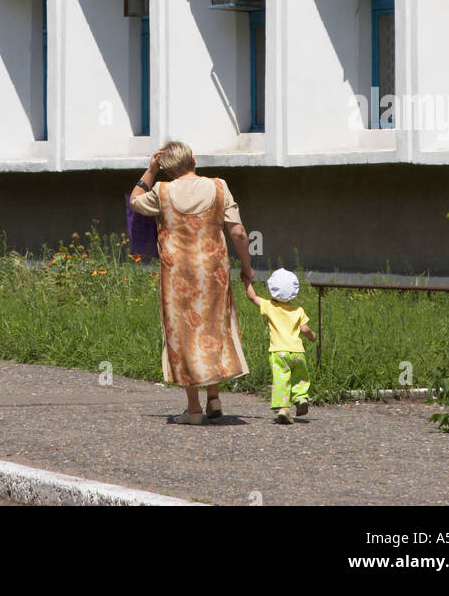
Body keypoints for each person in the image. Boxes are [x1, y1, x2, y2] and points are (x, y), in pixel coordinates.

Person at [130, 142, 255, 423]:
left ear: (167, 169)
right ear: (194, 160)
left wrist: (150, 171)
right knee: (213, 327)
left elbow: (135, 200)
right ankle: (213, 397)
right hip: (214, 273)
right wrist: (246, 268)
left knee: (183, 334)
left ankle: (193, 408)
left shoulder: (161, 192)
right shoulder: (219, 186)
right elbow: (238, 232)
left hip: (177, 277)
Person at [245, 267, 316, 424]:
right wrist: (312, 336)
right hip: (297, 352)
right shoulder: (298, 310)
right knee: (300, 377)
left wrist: (247, 281)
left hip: (278, 352)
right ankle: (301, 398)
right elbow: (305, 329)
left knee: (281, 379)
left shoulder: (270, 306)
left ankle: (283, 408)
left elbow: (252, 297)